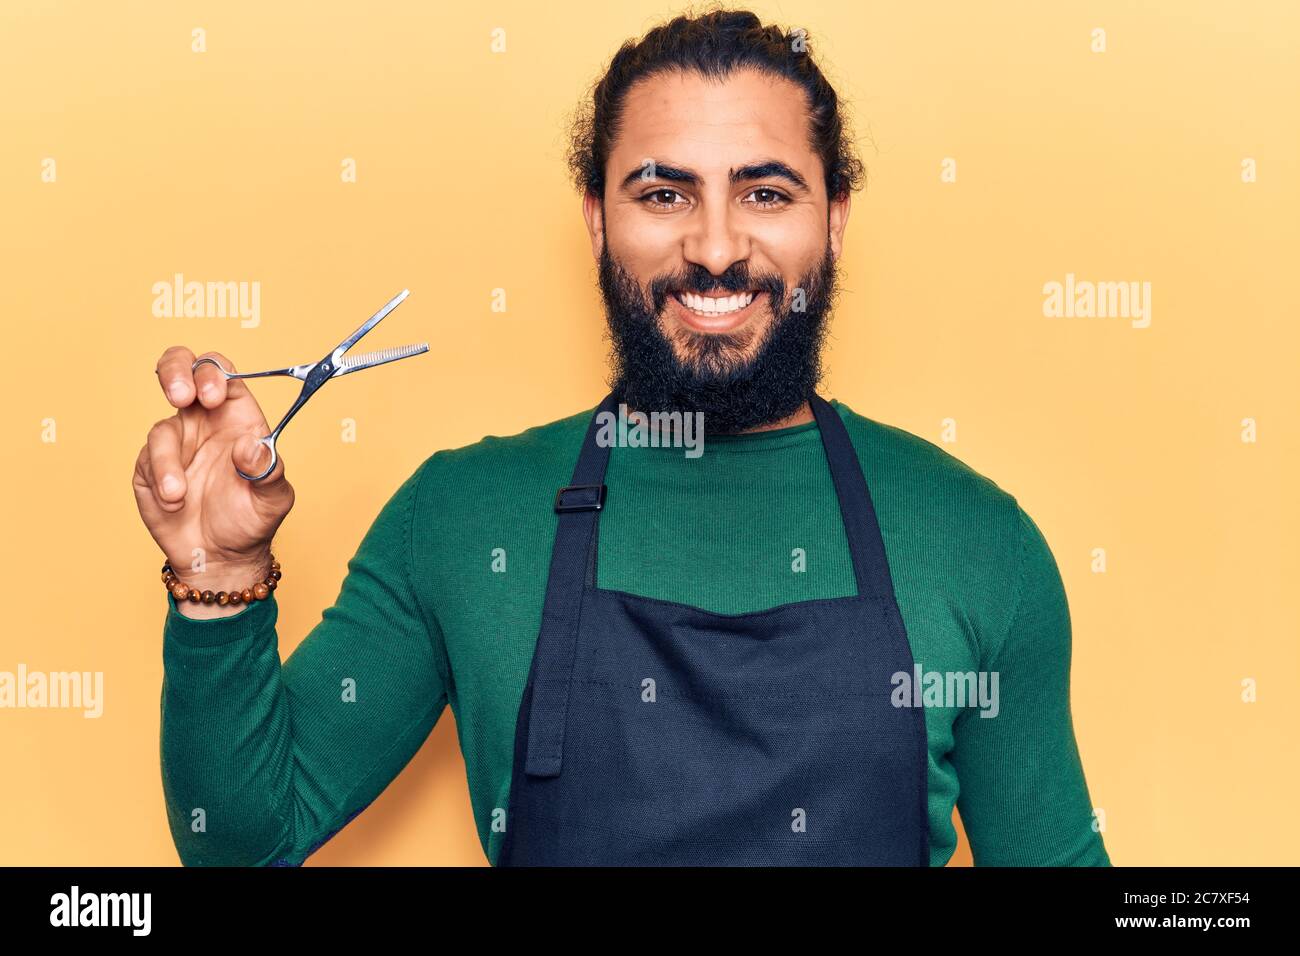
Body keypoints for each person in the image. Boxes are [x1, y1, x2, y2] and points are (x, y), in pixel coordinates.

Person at [133, 8, 1110, 866]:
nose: (717, 248)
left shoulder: (977, 543)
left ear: (836, 220)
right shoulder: (462, 518)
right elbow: (246, 844)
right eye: (662, 193)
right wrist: (219, 576)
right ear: (598, 221)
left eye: (766, 192)